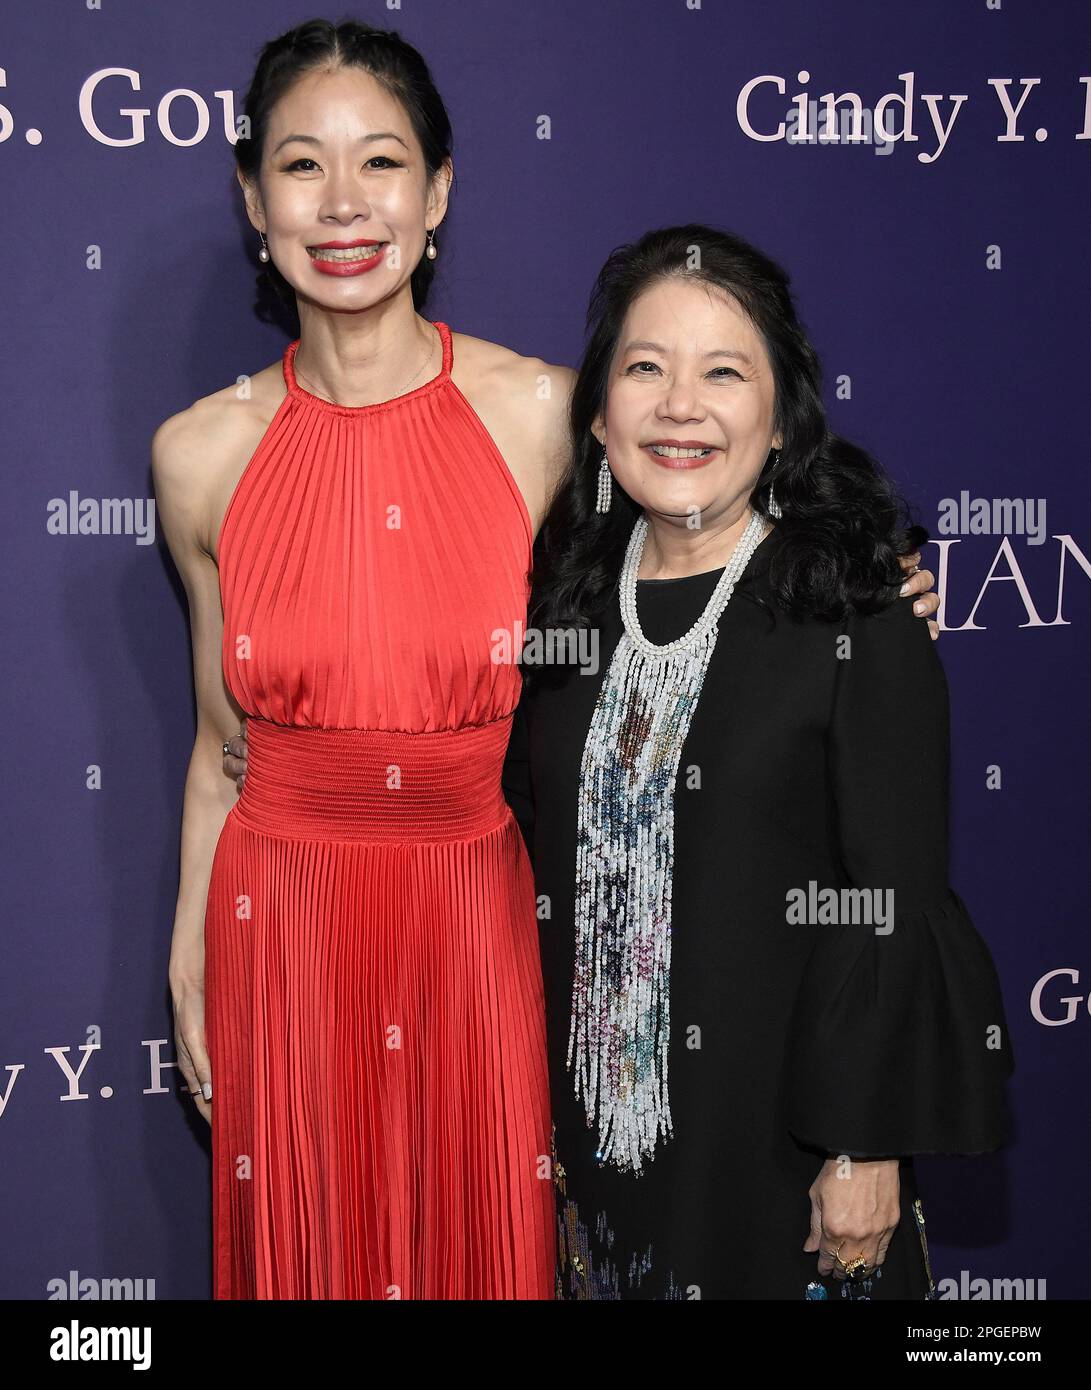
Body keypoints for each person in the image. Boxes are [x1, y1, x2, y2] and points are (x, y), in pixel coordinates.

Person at [194, 24, 939, 1300]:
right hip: (294, 934)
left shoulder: (536, 413)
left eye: (379, 161)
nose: (341, 202)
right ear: (252, 198)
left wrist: (864, 585)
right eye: (299, 164)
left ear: (437, 193)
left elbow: (713, 493)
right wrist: (188, 950)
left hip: (481, 938)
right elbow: (222, 746)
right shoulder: (196, 452)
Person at [511, 224, 1015, 1300]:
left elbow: (888, 899)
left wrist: (861, 1149)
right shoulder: (565, 610)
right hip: (599, 1161)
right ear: (599, 414)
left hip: (784, 1164)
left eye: (723, 373)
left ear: (781, 417)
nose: (679, 405)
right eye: (644, 368)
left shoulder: (853, 605)